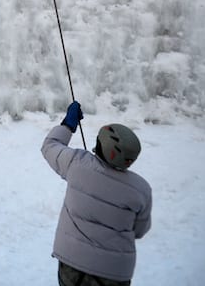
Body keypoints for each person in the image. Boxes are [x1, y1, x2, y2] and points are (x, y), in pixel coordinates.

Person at [42, 101, 152, 286]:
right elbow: (140, 231)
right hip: (114, 273)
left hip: (72, 264)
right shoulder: (141, 189)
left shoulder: (77, 164)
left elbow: (50, 145)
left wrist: (68, 125)